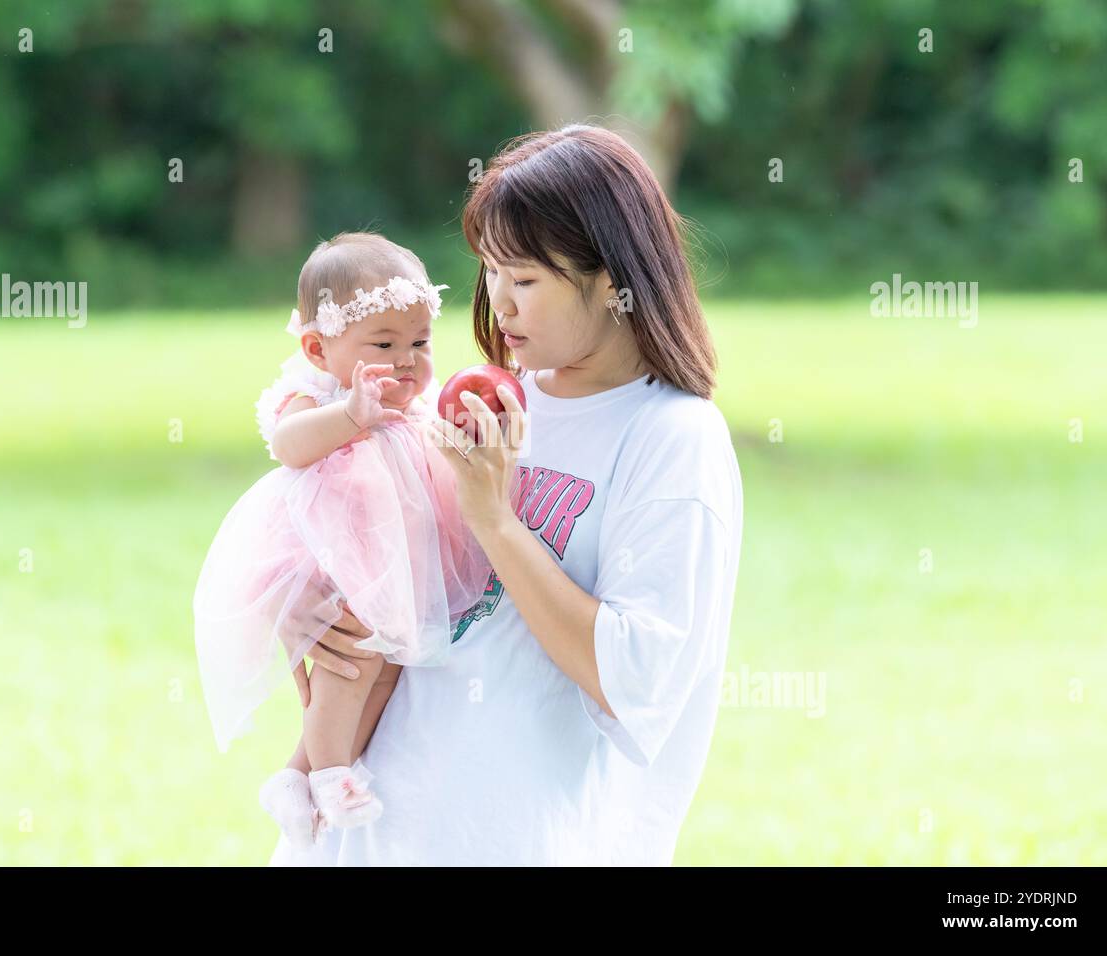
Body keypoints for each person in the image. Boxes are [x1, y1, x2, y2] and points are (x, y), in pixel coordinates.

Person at [270, 124, 744, 866]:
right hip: (373, 823)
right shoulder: (485, 399)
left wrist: (495, 518)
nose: (500, 304)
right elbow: (377, 538)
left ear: (615, 280)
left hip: (517, 834)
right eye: (490, 273)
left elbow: (636, 680)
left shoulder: (674, 438)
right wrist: (312, 601)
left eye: (525, 280)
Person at [193, 232, 492, 848]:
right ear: (318, 348)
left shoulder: (410, 401)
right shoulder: (318, 396)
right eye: (384, 345)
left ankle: (300, 776)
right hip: (333, 560)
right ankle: (331, 772)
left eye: (420, 343)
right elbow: (289, 446)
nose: (408, 361)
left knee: (384, 669)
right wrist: (352, 414)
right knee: (350, 659)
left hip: (389, 564)